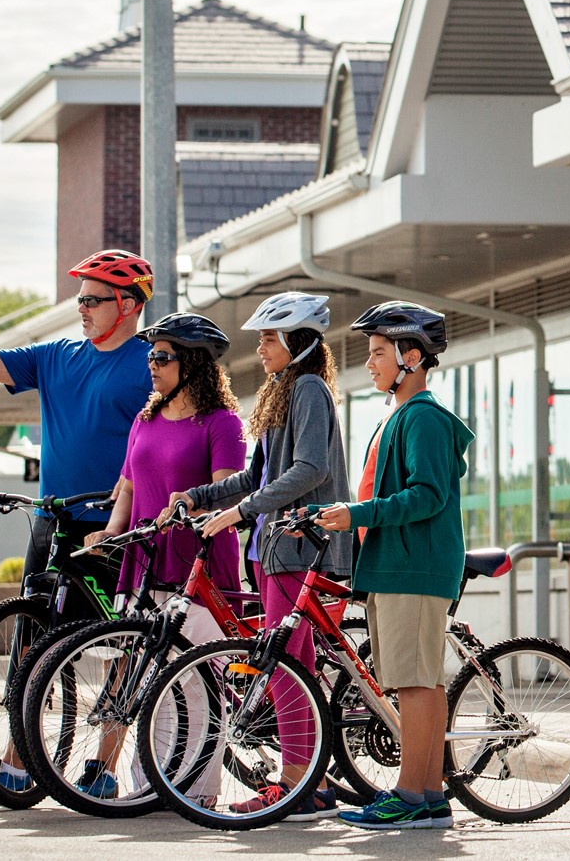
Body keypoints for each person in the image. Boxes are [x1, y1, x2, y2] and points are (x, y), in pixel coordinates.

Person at [0, 249, 156, 806]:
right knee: (29, 647)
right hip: (53, 521)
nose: (81, 308)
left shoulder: (150, 364)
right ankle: (15, 769)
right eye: (79, 298)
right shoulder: (57, 356)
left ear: (129, 304)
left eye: (93, 298)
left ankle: (104, 766)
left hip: (113, 526)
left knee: (118, 647)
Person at [174, 291, 352, 821]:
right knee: (285, 668)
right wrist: (201, 497)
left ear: (297, 342)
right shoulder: (280, 390)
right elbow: (260, 475)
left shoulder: (311, 390)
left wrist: (241, 513)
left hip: (302, 544)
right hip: (275, 548)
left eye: (270, 336)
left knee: (286, 668)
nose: (261, 344)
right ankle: (304, 781)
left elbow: (311, 469)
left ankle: (300, 786)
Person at [77, 312, 247, 801]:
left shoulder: (222, 423)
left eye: (162, 356)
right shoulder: (144, 419)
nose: (152, 364)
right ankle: (150, 785)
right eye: (151, 355)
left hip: (198, 564)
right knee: (143, 679)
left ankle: (197, 791)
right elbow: (127, 485)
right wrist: (111, 533)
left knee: (196, 683)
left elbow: (224, 490)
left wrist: (187, 508)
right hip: (143, 560)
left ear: (192, 364)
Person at [316, 301, 471, 832]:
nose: (370, 363)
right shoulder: (402, 415)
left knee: (414, 683)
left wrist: (356, 514)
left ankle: (410, 794)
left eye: (379, 353)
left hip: (415, 569)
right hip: (400, 567)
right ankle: (427, 796)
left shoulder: (423, 417)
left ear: (412, 357)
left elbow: (426, 496)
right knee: (419, 682)